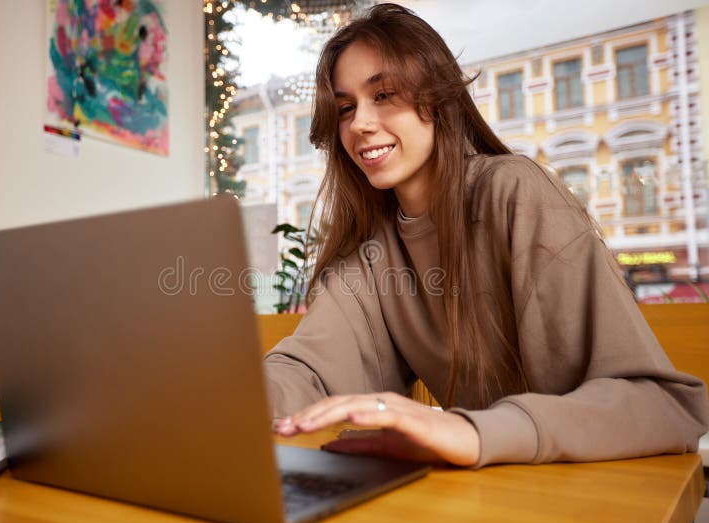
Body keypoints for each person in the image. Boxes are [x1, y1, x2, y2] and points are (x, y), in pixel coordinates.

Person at [265, 3, 709, 468]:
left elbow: (663, 406)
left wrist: (469, 432)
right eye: (346, 108)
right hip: (487, 495)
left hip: (584, 493)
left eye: (386, 95)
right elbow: (307, 372)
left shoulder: (513, 191)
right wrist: (220, 396)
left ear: (436, 99)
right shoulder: (371, 249)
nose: (359, 124)